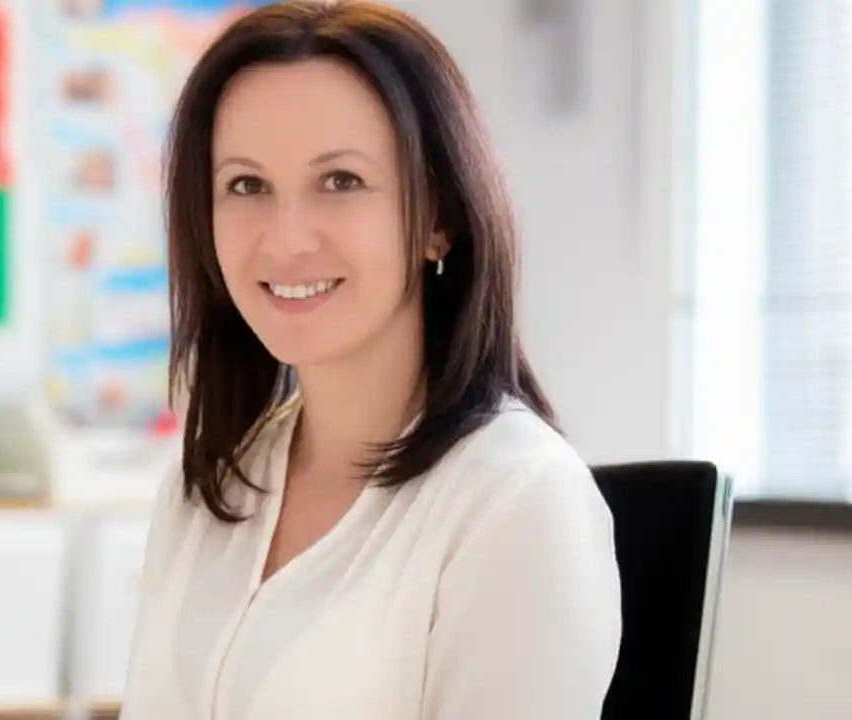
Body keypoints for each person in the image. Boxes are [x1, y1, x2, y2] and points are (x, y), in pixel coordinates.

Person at [122, 1, 621, 718]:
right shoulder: (204, 485)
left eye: (341, 181)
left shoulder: (519, 500)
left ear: (438, 219)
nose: (286, 239)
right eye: (247, 186)